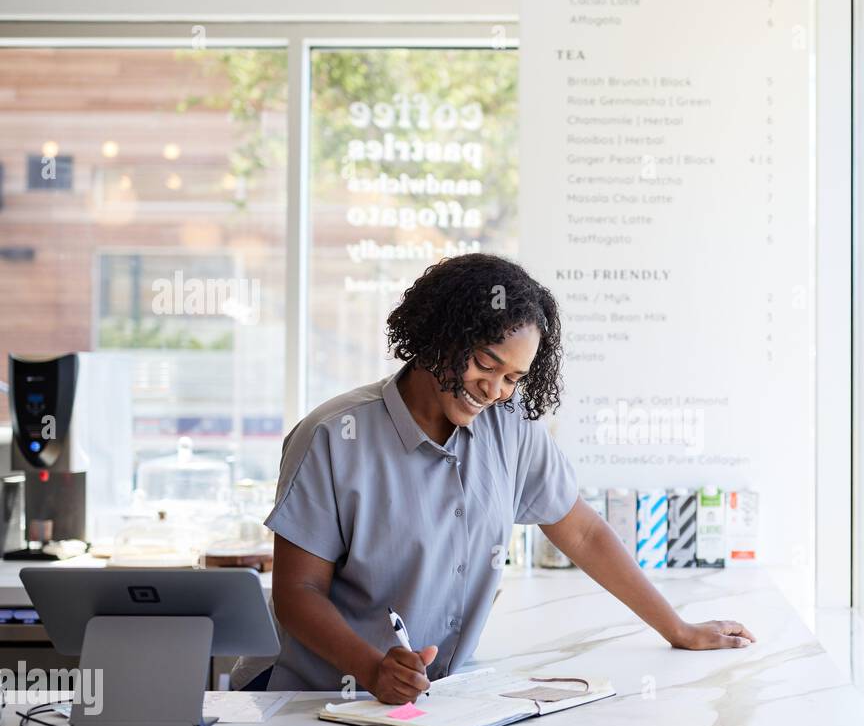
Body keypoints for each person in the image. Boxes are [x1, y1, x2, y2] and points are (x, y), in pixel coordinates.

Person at [232, 253, 755, 702]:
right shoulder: (332, 435)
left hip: (428, 702)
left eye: (514, 378)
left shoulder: (511, 428)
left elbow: (582, 531)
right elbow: (297, 591)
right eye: (486, 364)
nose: (497, 390)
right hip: (310, 698)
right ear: (439, 339)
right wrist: (372, 670)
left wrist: (679, 629)